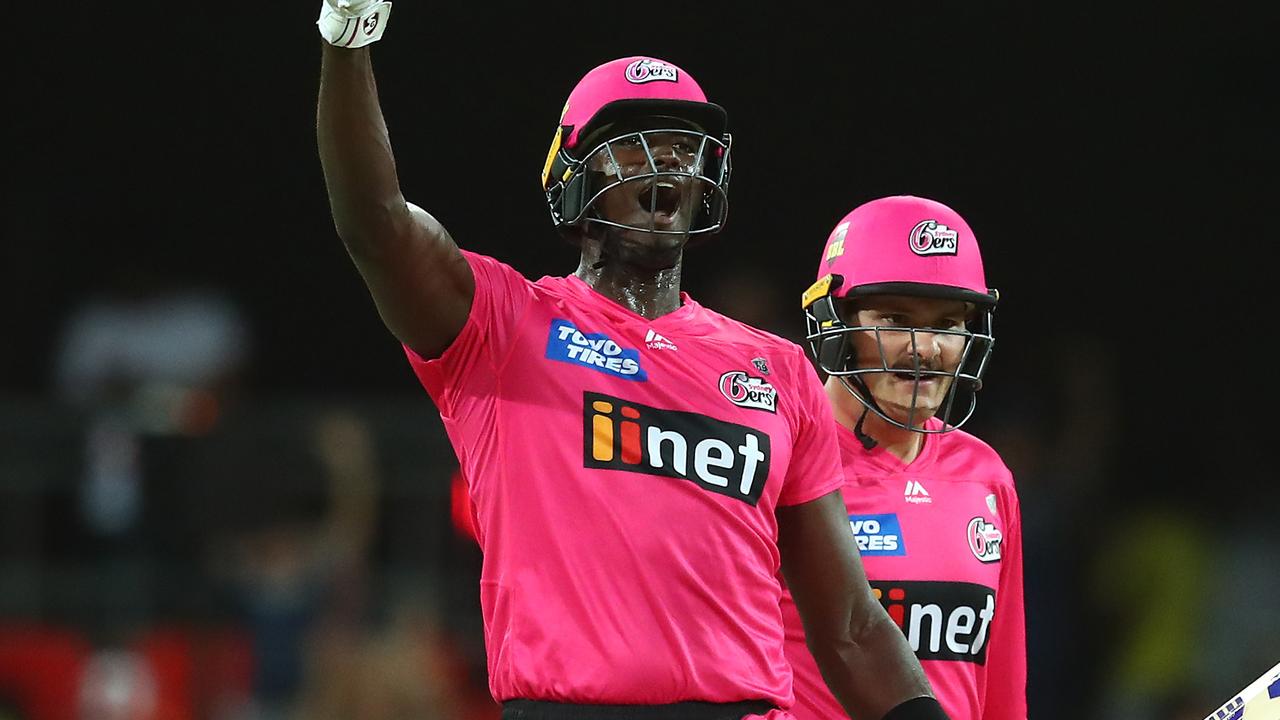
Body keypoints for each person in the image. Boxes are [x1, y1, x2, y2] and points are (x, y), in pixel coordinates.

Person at [313, 3, 953, 719]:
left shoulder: (779, 370)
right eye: (632, 142)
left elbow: (852, 627)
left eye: (683, 144)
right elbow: (374, 221)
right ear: (575, 176)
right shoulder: (503, 324)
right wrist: (347, 40)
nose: (666, 160)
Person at [789, 195, 1027, 719]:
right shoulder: (782, 461)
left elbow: (1002, 695)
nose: (928, 348)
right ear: (833, 323)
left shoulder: (985, 476)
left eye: (947, 324)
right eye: (896, 318)